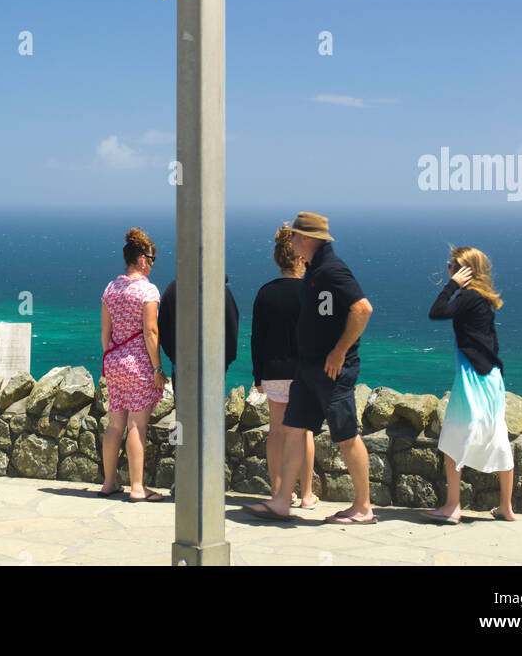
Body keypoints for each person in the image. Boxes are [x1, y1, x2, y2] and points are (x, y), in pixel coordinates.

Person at [245, 212, 374, 525]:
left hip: (331, 371)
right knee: (292, 429)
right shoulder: (316, 271)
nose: (292, 241)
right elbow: (326, 311)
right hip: (308, 367)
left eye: (296, 236)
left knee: (345, 436)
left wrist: (339, 352)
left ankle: (363, 507)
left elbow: (362, 308)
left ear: (310, 238)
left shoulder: (331, 269)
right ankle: (281, 501)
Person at [422, 246, 515, 523]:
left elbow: (436, 312)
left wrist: (451, 286)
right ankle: (506, 508)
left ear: (465, 271)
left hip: (472, 378)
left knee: (453, 436)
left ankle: (452, 506)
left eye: (452, 265)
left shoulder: (469, 297)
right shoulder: (482, 300)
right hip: (490, 379)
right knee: (498, 437)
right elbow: (492, 341)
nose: (448, 268)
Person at [251, 223, 316, 508]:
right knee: (304, 433)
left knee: (276, 432)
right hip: (303, 374)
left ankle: (279, 491)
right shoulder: (310, 293)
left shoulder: (265, 293)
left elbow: (257, 339)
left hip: (274, 372)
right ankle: (306, 494)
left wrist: (257, 376)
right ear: (300, 258)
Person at [100, 227, 166, 501]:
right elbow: (151, 332)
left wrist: (112, 359)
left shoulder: (110, 288)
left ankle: (109, 483)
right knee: (137, 425)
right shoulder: (147, 291)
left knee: (115, 424)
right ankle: (138, 487)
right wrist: (157, 368)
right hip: (138, 364)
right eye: (151, 259)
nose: (152, 264)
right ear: (141, 259)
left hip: (113, 362)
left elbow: (105, 332)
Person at [157, 275, 239, 400]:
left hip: (182, 365)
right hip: (214, 367)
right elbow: (232, 330)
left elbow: (163, 329)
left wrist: (174, 357)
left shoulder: (173, 288)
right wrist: (224, 363)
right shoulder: (221, 291)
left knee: (184, 414)